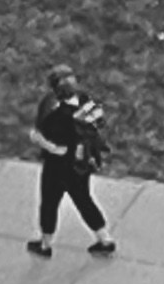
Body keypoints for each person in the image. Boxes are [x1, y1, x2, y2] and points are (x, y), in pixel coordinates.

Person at [27, 65, 114, 256]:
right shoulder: (85, 101)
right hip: (81, 163)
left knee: (50, 202)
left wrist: (37, 139)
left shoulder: (57, 117)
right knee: (84, 199)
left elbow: (56, 148)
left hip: (58, 167)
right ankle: (104, 239)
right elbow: (99, 122)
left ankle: (45, 244)